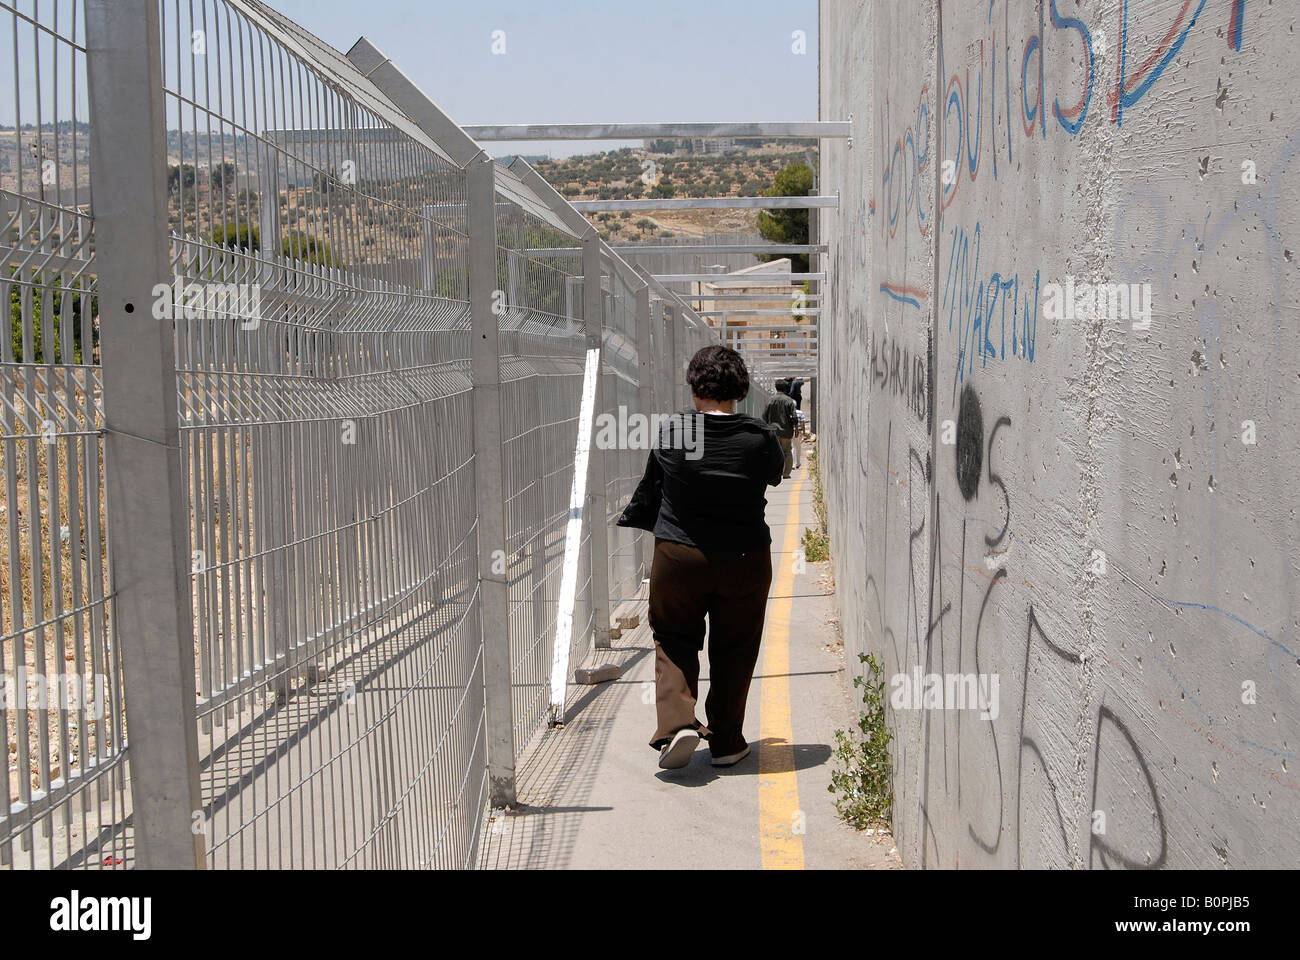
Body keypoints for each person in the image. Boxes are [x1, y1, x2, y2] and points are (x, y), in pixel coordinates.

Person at [617, 345, 784, 770]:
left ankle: (677, 724)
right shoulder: (758, 437)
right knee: (735, 647)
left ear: (695, 389)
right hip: (744, 558)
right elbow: (774, 474)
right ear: (741, 390)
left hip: (678, 556)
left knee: (674, 638)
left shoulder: (675, 432)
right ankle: (727, 742)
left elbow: (653, 483)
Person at [763, 378, 799, 478]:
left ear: (776, 387)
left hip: (773, 431)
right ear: (785, 388)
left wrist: (766, 427)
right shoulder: (789, 400)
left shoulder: (770, 400)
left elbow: (764, 415)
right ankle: (786, 473)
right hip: (787, 431)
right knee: (787, 451)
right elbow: (794, 416)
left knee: (775, 452)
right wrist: (796, 428)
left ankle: (776, 473)